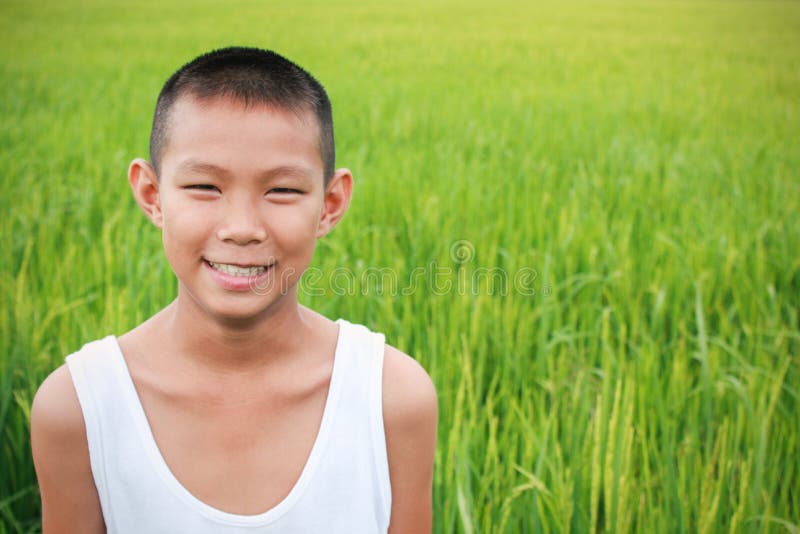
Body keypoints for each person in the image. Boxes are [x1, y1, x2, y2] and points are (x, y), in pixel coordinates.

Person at [29, 46, 438, 533]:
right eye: (204, 187)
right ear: (151, 195)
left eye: (282, 190)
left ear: (330, 204)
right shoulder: (81, 408)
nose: (242, 228)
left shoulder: (390, 398)